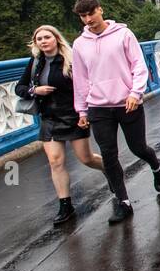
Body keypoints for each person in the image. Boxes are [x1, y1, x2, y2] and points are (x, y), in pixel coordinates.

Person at [71, 0, 160, 225]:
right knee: (108, 155)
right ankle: (123, 202)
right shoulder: (79, 44)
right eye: (83, 16)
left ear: (100, 9)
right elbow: (80, 79)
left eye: (90, 13)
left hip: (127, 102)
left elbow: (139, 65)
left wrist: (135, 93)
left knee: (137, 148)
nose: (88, 20)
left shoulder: (123, 34)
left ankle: (156, 164)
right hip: (98, 107)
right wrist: (82, 111)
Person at [15, 25, 106, 226]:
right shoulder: (36, 62)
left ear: (56, 38)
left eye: (47, 37)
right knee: (56, 162)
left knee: (86, 158)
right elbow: (19, 88)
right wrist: (35, 90)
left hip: (73, 115)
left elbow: (87, 85)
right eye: (39, 39)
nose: (43, 41)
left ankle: (110, 171)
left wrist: (86, 111)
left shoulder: (71, 59)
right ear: (36, 43)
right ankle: (65, 205)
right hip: (49, 118)